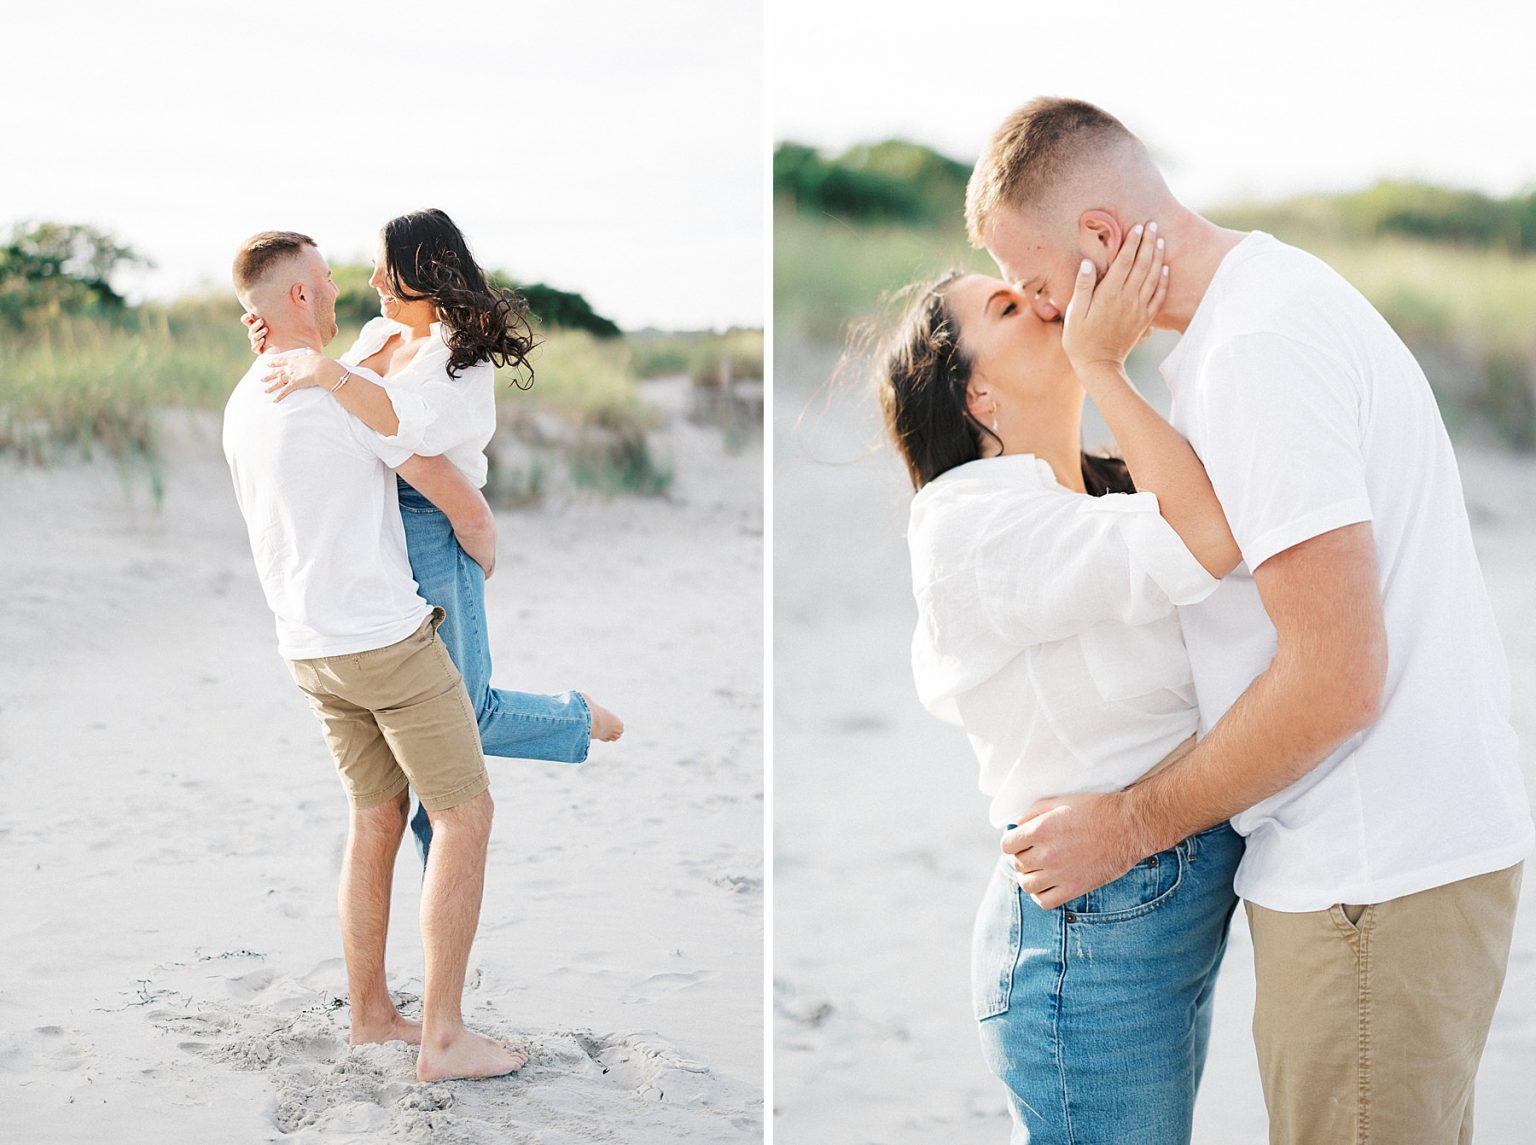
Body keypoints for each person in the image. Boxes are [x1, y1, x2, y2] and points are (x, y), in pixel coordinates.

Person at [967, 97, 1533, 1145]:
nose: (1046, 317)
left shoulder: (1255, 351)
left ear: (1100, 238)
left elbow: (1336, 674)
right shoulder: (1263, 310)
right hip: (1397, 867)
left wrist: (1128, 825)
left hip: (1373, 880)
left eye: (1040, 290)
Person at [886, 224, 1243, 1143]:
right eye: (1007, 306)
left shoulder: (1087, 496)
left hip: (1154, 905)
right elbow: (1208, 540)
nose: (1041, 302)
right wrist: (1108, 365)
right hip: (1090, 934)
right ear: (977, 392)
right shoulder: (974, 520)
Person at [223, 230, 524, 1081]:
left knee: (376, 818)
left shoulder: (244, 399)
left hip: (308, 649)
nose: (341, 290)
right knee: (466, 814)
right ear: (294, 301)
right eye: (322, 282)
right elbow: (442, 483)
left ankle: (370, 1015)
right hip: (383, 642)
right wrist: (483, 539)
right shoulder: (343, 398)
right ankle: (444, 1036)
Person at [247, 209, 622, 864]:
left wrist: (476, 537)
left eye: (383, 268)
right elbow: (333, 393)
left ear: (420, 271)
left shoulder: (456, 358)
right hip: (378, 520)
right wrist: (278, 335)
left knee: (464, 715)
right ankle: (434, 883)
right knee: (419, 745)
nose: (370, 280)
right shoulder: (375, 333)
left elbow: (406, 428)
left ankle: (574, 716)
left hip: (430, 523)